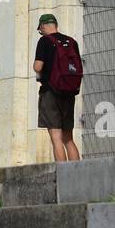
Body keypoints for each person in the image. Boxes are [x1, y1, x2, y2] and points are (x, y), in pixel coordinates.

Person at [32, 13, 83, 162]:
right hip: (69, 92)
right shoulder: (72, 42)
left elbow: (38, 66)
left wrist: (38, 69)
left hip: (51, 92)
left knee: (56, 138)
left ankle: (62, 176)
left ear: (43, 26)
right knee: (68, 138)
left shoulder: (44, 41)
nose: (41, 32)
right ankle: (77, 174)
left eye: (40, 29)